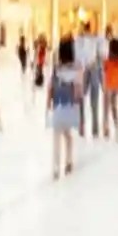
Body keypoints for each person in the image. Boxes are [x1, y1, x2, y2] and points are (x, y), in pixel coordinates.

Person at [49, 38, 82, 179]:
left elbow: (51, 86)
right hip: (69, 104)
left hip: (58, 104)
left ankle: (56, 167)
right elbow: (78, 89)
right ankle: (68, 161)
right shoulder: (76, 68)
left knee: (57, 136)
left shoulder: (57, 68)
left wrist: (49, 102)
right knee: (68, 135)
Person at [75, 22, 105, 138]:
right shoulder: (79, 40)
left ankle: (94, 129)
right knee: (82, 98)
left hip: (93, 68)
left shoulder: (96, 39)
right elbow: (77, 55)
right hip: (84, 69)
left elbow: (102, 53)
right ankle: (82, 126)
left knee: (94, 100)